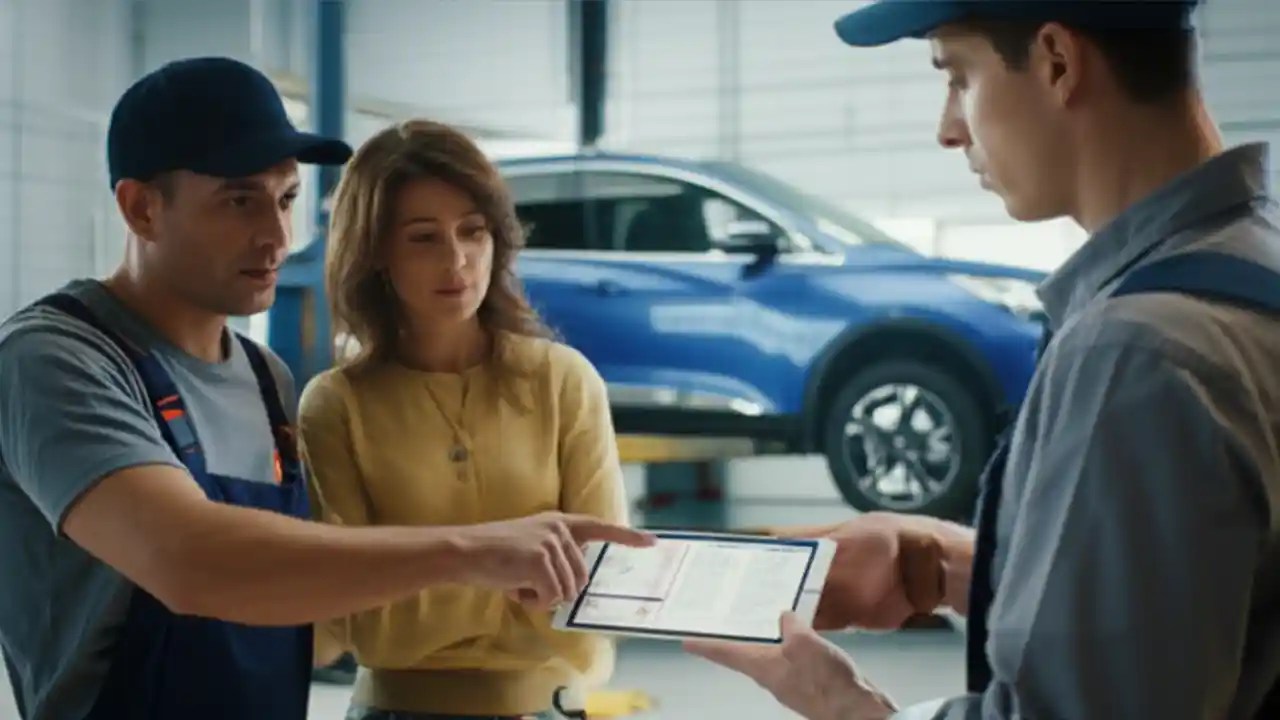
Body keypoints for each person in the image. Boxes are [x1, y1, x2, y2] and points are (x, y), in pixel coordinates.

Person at [0, 56, 652, 720]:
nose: (278, 236)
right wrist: (477, 553)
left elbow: (318, 604)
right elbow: (188, 559)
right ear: (141, 208)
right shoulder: (57, 361)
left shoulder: (264, 379)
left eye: (286, 199)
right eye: (239, 200)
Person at [685, 1, 1280, 718]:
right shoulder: (1251, 267)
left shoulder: (1133, 352)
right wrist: (957, 564)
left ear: (1057, 61)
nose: (947, 129)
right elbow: (1220, 597)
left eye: (958, 76)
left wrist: (846, 707)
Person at [298, 119, 631, 720]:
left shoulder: (563, 381)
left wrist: (417, 586)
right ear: (376, 252)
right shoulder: (337, 404)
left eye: (472, 232)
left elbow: (598, 596)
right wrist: (517, 581)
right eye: (424, 238)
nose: (457, 260)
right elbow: (358, 623)